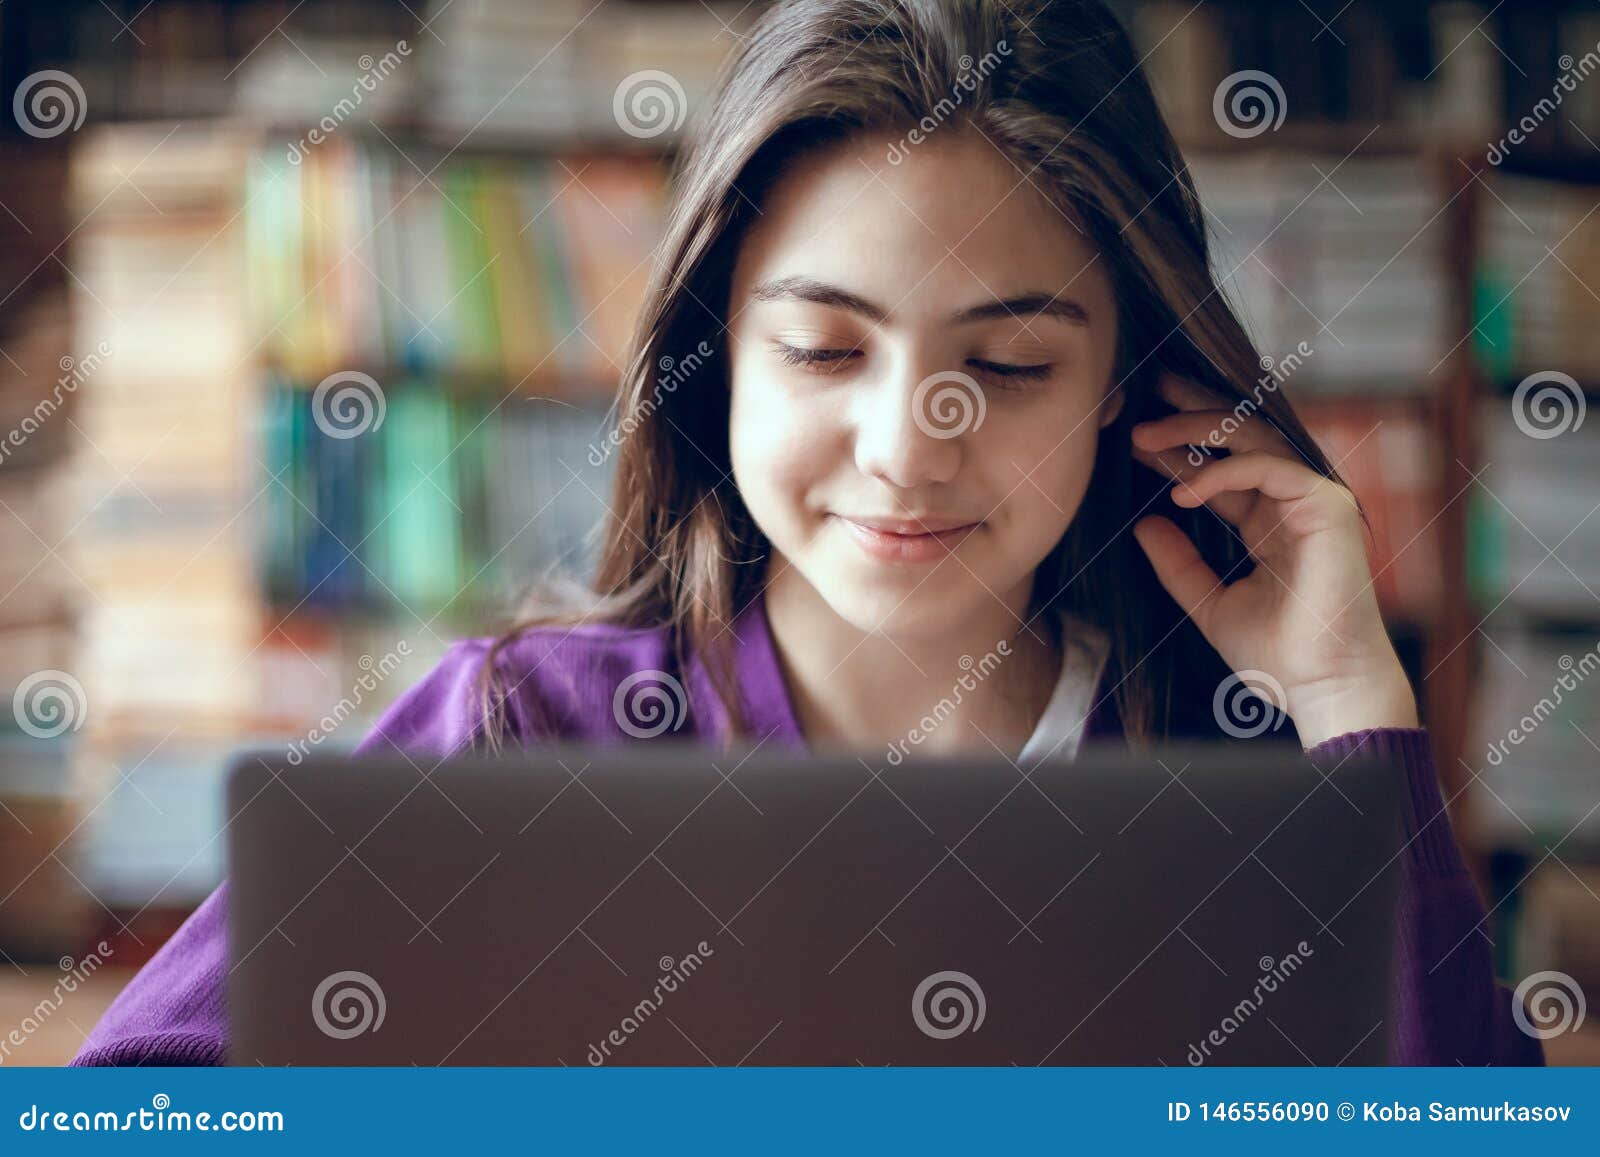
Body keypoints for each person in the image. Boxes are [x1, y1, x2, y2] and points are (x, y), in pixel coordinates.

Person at [72, 0, 1542, 1066]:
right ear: (719, 353)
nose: (911, 445)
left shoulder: (1258, 779)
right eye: (828, 351)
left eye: (1011, 365)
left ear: (1125, 384)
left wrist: (1356, 709)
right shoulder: (516, 737)